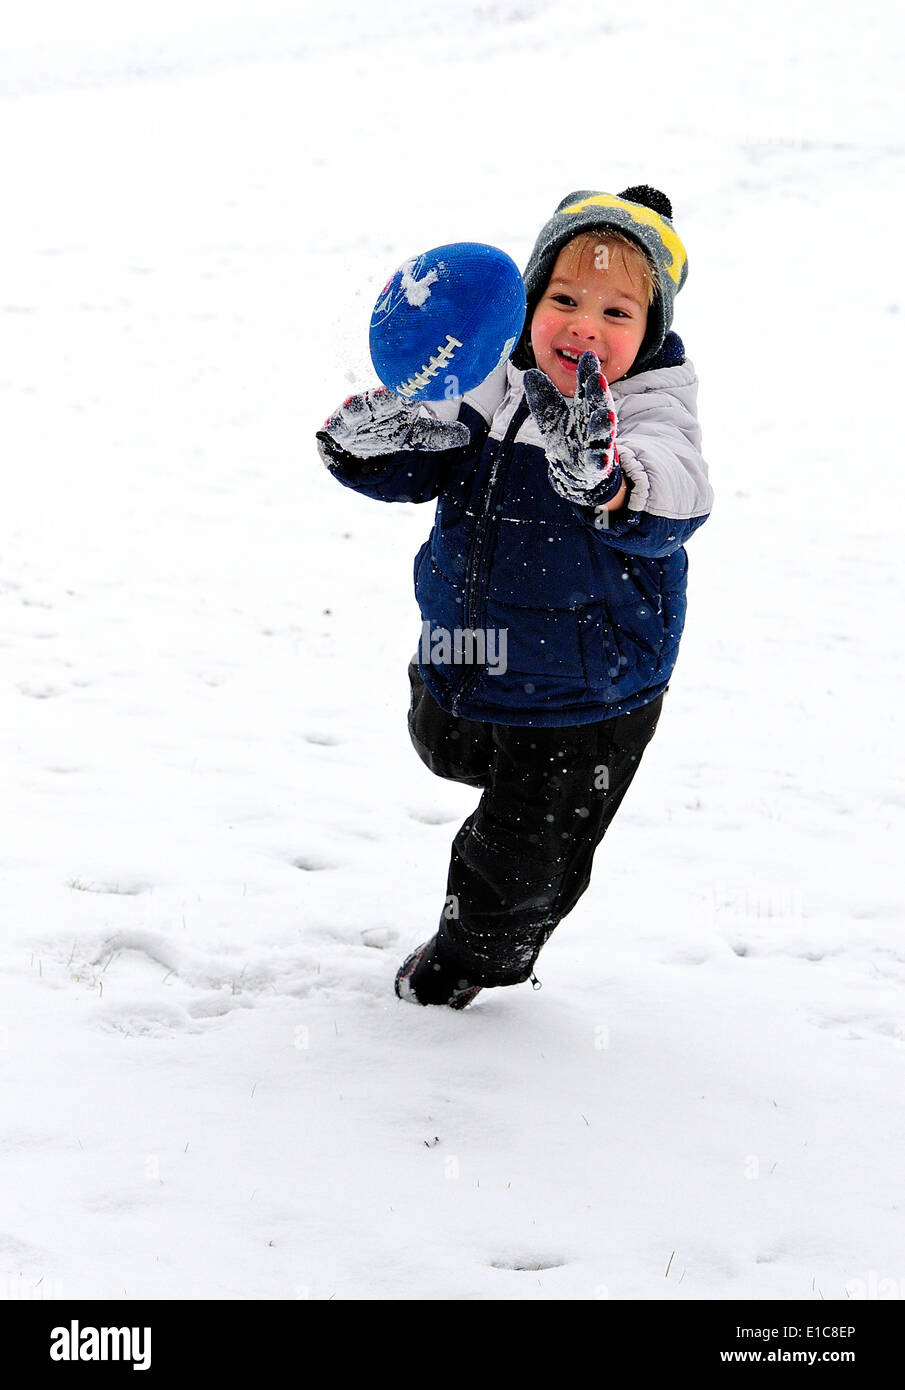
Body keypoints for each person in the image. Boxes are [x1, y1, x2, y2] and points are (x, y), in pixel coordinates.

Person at [316, 185, 713, 1009]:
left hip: (587, 687)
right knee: (444, 743)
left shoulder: (649, 410)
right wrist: (367, 444)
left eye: (615, 312)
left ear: (651, 333)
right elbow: (422, 459)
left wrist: (604, 480)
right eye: (563, 299)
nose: (583, 326)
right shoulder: (493, 381)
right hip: (469, 642)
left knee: (523, 856)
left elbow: (675, 492)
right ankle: (475, 752)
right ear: (529, 302)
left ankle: (468, 962)